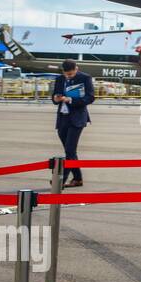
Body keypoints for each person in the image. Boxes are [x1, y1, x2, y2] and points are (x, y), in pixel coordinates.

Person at [52, 59, 94, 188]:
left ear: (77, 68)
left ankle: (60, 181)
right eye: (67, 74)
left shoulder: (85, 78)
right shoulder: (60, 79)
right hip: (63, 118)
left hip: (77, 118)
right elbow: (55, 96)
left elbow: (90, 97)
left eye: (71, 74)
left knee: (70, 150)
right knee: (70, 152)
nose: (69, 76)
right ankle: (77, 179)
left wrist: (70, 99)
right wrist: (55, 98)